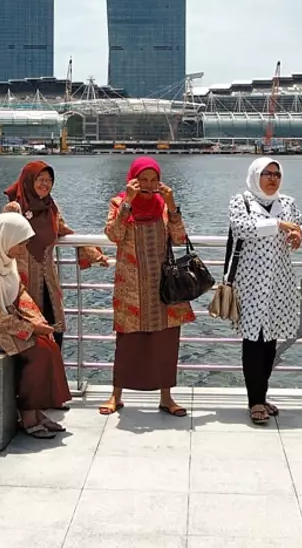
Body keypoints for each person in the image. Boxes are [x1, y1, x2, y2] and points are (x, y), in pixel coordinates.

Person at [0, 213, 72, 439]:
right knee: (36, 351)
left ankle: (37, 410)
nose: (22, 249)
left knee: (48, 346)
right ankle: (28, 414)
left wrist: (39, 321)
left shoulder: (4, 259)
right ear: (6, 238)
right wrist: (29, 329)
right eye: (20, 243)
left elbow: (20, 294)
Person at [99, 157, 193, 417]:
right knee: (128, 342)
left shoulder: (164, 206)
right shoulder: (119, 203)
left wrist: (172, 205)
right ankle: (116, 395)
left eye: (154, 180)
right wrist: (128, 202)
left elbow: (179, 237)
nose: (149, 185)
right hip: (131, 287)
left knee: (165, 342)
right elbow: (114, 235)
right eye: (144, 180)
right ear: (133, 180)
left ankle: (166, 397)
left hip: (164, 287)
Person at [227, 157, 302, 425]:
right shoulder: (240, 201)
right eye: (266, 173)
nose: (272, 178)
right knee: (253, 340)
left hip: (279, 281)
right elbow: (242, 228)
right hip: (250, 283)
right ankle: (254, 402)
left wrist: (300, 235)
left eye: (276, 173)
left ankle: (261, 396)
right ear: (255, 175)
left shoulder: (287, 203)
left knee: (270, 339)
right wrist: (278, 225)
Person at [2, 161, 109, 349]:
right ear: (28, 181)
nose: (45, 184)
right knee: (27, 336)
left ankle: (52, 377)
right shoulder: (14, 208)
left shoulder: (51, 208)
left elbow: (64, 230)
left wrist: (94, 253)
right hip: (21, 284)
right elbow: (2, 241)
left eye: (49, 180)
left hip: (48, 281)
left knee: (54, 332)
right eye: (40, 179)